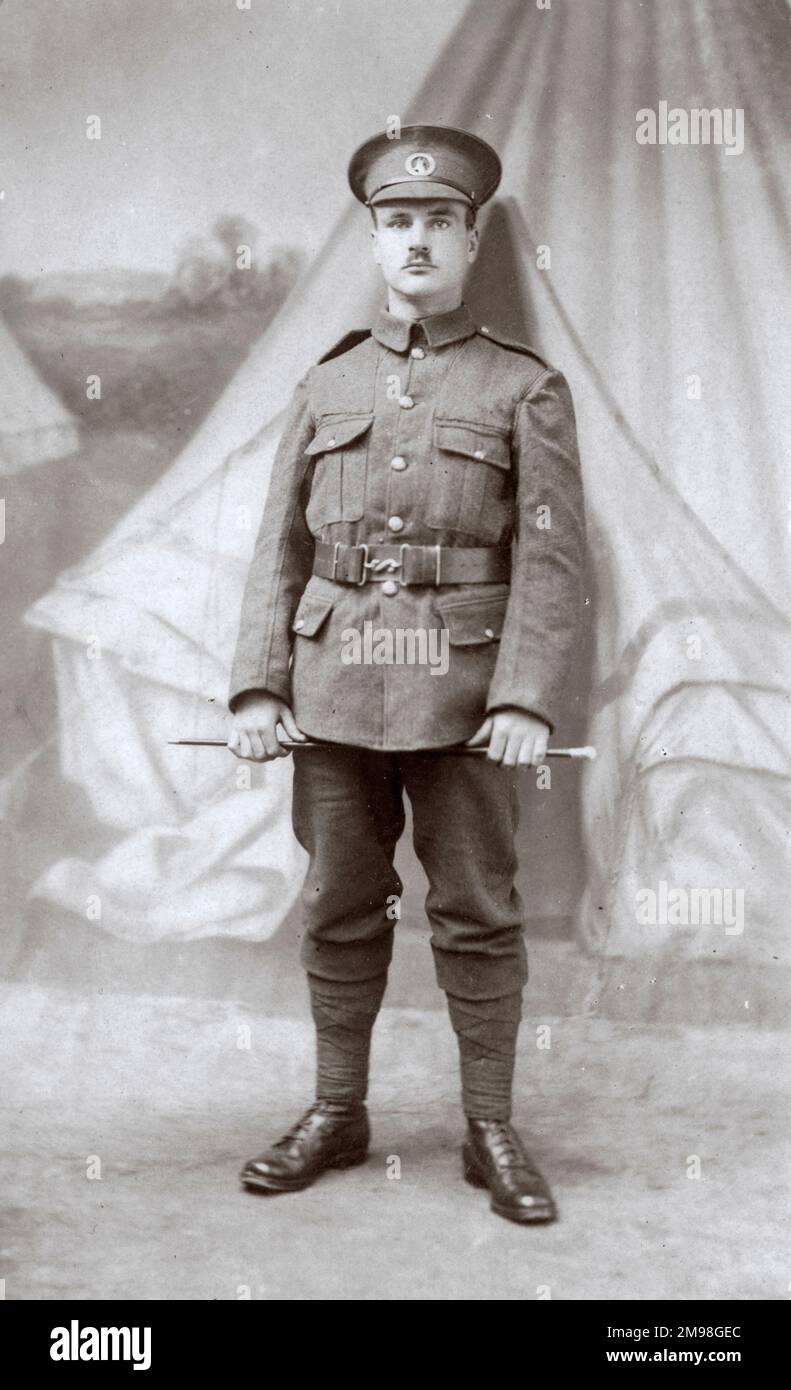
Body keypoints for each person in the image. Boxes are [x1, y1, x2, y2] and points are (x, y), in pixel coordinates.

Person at [227, 124, 586, 1224]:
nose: (416, 240)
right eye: (396, 222)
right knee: (339, 903)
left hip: (467, 701)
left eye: (438, 221)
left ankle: (488, 1126)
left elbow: (549, 555)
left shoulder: (521, 387)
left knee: (475, 909)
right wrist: (256, 686)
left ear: (471, 240)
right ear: (375, 243)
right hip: (333, 694)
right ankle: (339, 1111)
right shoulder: (327, 380)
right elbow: (277, 548)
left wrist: (523, 697)